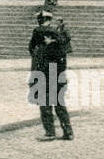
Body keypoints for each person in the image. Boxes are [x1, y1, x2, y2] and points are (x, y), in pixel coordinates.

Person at [28, 10, 73, 141]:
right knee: (59, 102)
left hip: (43, 72)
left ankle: (50, 132)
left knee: (45, 102)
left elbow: (31, 48)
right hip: (58, 72)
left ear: (40, 20)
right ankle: (68, 131)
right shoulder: (60, 35)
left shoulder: (38, 32)